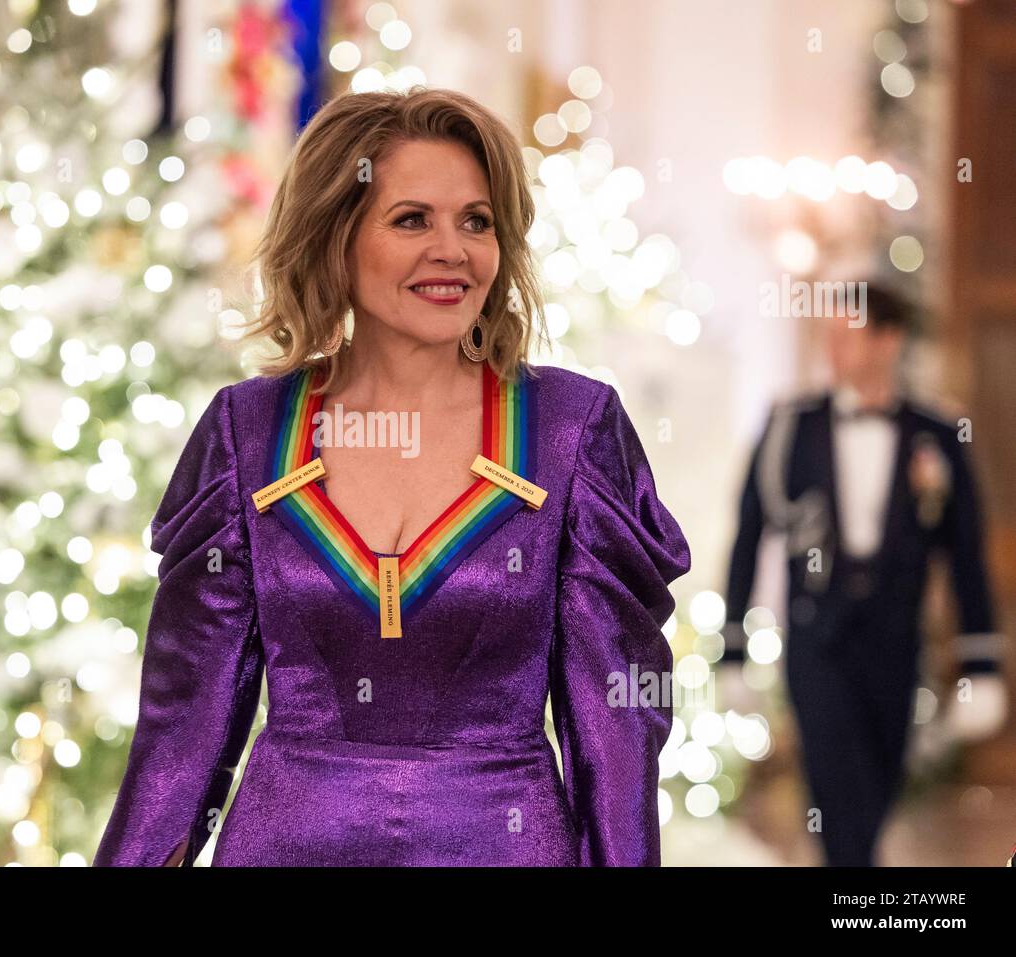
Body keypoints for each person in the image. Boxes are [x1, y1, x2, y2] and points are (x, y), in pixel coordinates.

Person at [92, 87, 691, 867]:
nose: (454, 250)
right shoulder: (248, 433)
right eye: (412, 219)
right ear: (337, 236)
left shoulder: (572, 430)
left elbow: (615, 733)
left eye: (476, 221)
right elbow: (184, 726)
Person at [719, 282, 1007, 866]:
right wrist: (732, 648)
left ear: (888, 340)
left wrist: (983, 663)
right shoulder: (789, 427)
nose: (833, 348)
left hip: (898, 646)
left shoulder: (939, 435)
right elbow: (750, 536)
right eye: (830, 335)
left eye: (847, 335)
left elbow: (967, 555)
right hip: (816, 644)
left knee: (878, 785)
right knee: (834, 783)